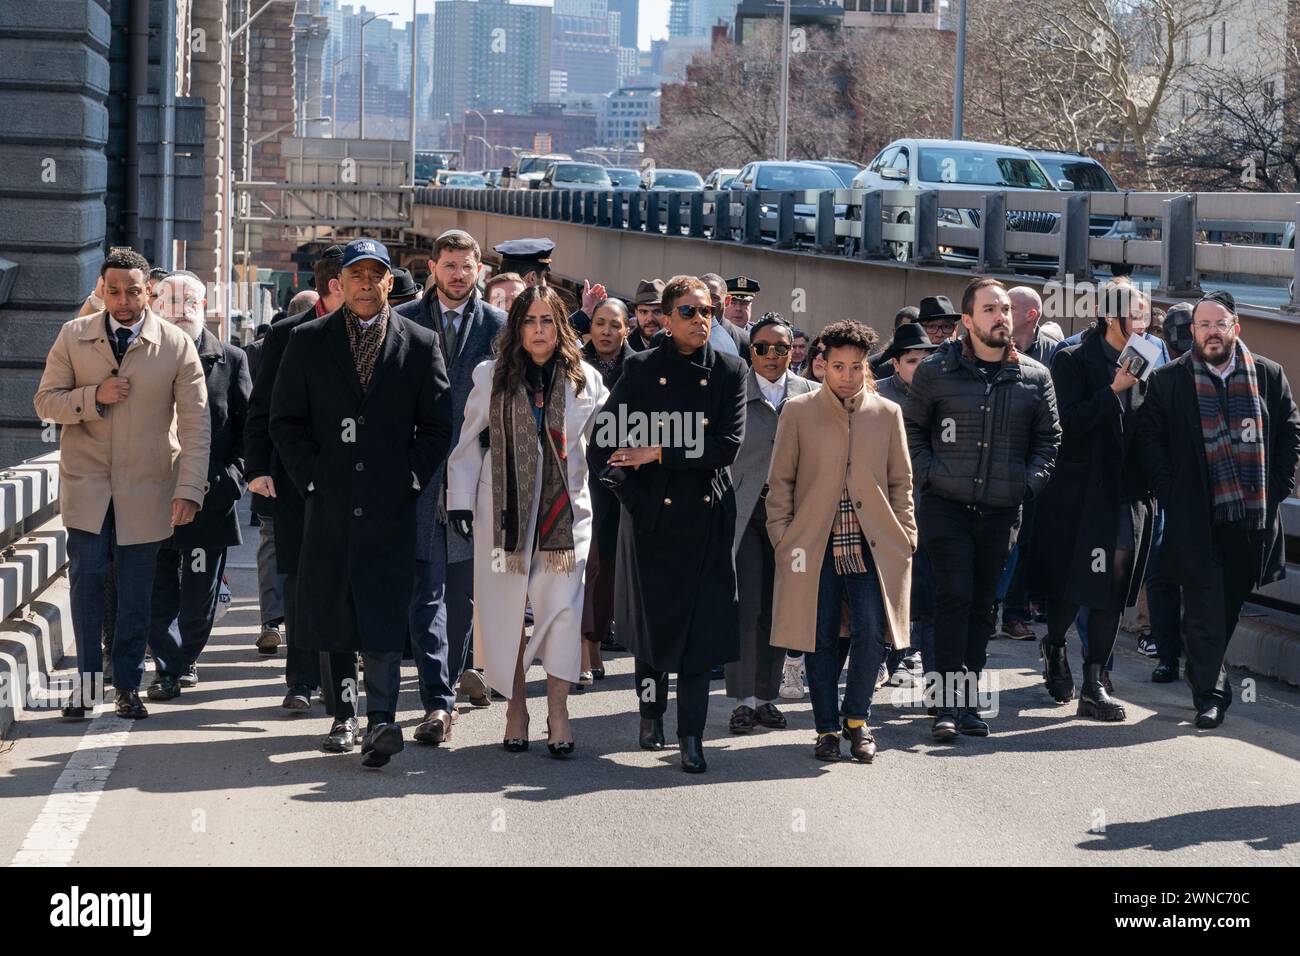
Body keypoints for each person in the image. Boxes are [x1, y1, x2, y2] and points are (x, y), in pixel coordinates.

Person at [270, 238, 453, 767]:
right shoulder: (308, 342)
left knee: (381, 614)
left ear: (390, 283)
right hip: (328, 504)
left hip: (389, 506)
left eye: (377, 276)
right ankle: (344, 716)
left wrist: (412, 478)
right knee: (334, 614)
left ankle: (382, 720)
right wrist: (311, 479)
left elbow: (439, 425)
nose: (367, 285)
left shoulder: (419, 342)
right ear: (339, 283)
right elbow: (286, 422)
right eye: (357, 276)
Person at [35, 248, 210, 720]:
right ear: (102, 289)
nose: (123, 300)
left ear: (148, 291)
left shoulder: (175, 345)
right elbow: (45, 402)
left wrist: (190, 489)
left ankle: (128, 687)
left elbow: (196, 425)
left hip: (149, 486)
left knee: (136, 594)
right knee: (87, 584)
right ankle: (87, 686)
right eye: (113, 291)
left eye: (133, 290)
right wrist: (94, 397)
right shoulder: (73, 337)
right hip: (88, 486)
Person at [588, 274, 747, 773]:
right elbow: (603, 442)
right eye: (688, 312)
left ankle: (690, 734)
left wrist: (658, 450)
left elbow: (727, 446)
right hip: (652, 517)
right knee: (653, 630)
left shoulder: (729, 369)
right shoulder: (640, 368)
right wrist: (633, 498)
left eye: (707, 311)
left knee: (700, 634)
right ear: (666, 317)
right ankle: (650, 713)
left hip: (706, 517)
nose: (700, 320)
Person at [447, 286, 608, 755]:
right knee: (506, 612)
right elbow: (467, 443)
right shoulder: (490, 375)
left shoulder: (588, 381)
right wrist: (458, 501)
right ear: (516, 329)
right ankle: (516, 706)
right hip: (503, 514)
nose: (538, 330)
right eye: (529, 321)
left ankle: (558, 711)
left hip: (566, 513)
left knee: (561, 610)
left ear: (560, 326)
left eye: (547, 321)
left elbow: (606, 441)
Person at [904, 277, 1061, 739]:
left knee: (982, 604)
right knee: (953, 597)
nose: (1001, 317)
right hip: (946, 506)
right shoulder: (936, 371)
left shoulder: (1034, 375)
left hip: (1000, 509)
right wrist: (929, 474)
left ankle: (967, 701)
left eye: (1005, 310)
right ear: (968, 321)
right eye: (990, 310)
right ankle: (946, 704)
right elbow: (911, 431)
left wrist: (1026, 485)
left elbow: (1049, 441)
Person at [1135, 290, 1300, 729]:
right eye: (1202, 326)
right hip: (1194, 517)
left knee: (1226, 606)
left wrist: (1279, 486)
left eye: (1218, 324)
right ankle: (1210, 694)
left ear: (1235, 329)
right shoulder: (1170, 379)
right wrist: (1169, 490)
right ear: (1193, 332)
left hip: (1250, 518)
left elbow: (1289, 432)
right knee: (1205, 602)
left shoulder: (1267, 374)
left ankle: (1202, 669)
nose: (1210, 332)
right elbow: (1149, 439)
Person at [768, 319, 916, 762]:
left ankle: (858, 719)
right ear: (822, 366)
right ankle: (827, 729)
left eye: (855, 367)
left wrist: (907, 536)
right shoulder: (798, 412)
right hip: (814, 547)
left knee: (874, 632)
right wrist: (783, 539)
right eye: (838, 366)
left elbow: (901, 483)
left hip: (875, 545)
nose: (847, 376)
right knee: (821, 637)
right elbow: (780, 484)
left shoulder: (887, 413)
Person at [395, 228, 507, 739]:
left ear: (478, 270)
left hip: (477, 476)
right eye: (449, 266)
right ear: (433, 269)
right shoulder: (405, 322)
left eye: (467, 267)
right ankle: (436, 701)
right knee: (425, 590)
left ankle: (455, 676)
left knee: (463, 593)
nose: (458, 275)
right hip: (418, 474)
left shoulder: (500, 328)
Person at [1029, 279, 1154, 720]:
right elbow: (1067, 424)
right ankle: (1056, 643)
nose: (1142, 320)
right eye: (1133, 312)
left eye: (1144, 311)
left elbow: (1151, 424)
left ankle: (1094, 682)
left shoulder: (1148, 358)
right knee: (1073, 583)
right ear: (1107, 313)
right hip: (1080, 494)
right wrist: (1114, 390)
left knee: (1115, 584)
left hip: (1128, 491)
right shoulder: (1072, 357)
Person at [245, 245, 344, 699]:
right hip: (293, 480)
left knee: (345, 580)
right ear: (335, 286)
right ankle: (301, 681)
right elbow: (262, 408)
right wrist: (258, 469)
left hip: (354, 480)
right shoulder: (287, 336)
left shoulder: (382, 331)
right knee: (300, 580)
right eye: (357, 279)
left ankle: (338, 682)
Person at [146, 272, 252, 698]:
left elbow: (248, 431)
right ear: (154, 305)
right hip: (150, 497)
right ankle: (169, 666)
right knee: (155, 591)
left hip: (209, 497)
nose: (180, 309)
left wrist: (231, 480)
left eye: (190, 301)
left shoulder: (231, 358)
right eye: (170, 300)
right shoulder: (141, 356)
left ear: (204, 305)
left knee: (199, 592)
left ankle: (184, 658)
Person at [725, 313, 818, 734]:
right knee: (746, 607)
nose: (772, 355)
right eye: (763, 347)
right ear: (752, 351)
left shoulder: (811, 395)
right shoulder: (733, 392)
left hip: (792, 516)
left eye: (782, 348)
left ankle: (767, 699)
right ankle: (743, 701)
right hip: (744, 511)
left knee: (779, 609)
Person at [874, 323, 940, 686]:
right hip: (886, 508)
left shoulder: (942, 393)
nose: (920, 366)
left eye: (926, 359)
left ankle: (933, 678)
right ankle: (883, 658)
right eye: (913, 360)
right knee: (886, 593)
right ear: (896, 364)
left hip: (932, 506)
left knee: (928, 596)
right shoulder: (878, 396)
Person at [579, 297, 635, 682]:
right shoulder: (572, 364)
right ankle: (587, 644)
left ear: (625, 329)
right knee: (588, 566)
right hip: (580, 476)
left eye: (614, 325)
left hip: (628, 477)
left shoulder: (640, 367)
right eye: (600, 323)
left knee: (616, 566)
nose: (606, 332)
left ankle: (607, 631)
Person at [628, 278, 665, 351]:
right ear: (636, 313)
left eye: (657, 312)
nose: (650, 319)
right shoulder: (623, 347)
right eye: (644, 312)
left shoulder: (681, 346)